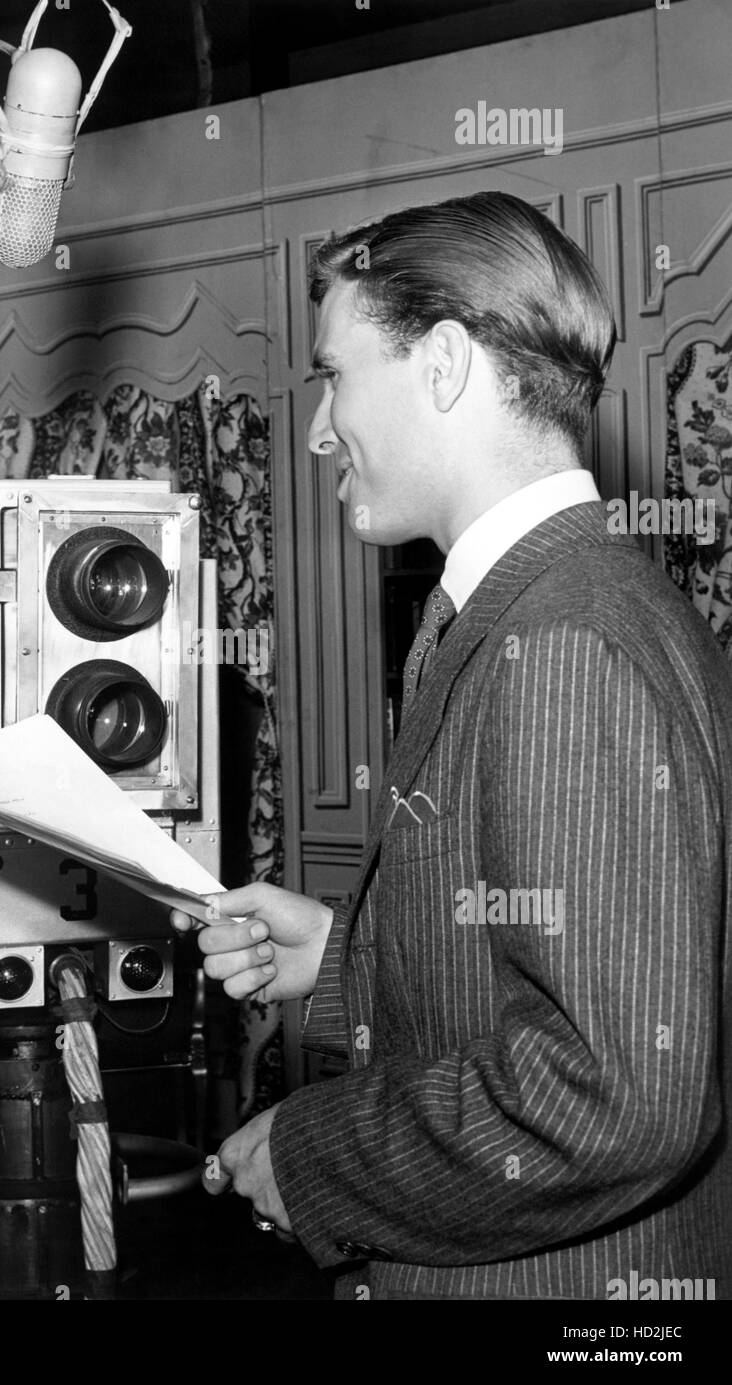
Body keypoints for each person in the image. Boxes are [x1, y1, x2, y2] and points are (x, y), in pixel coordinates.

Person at [173, 191, 732, 1299]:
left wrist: (314, 1155)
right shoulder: (574, 601)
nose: (322, 425)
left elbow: (616, 1092)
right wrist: (336, 956)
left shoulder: (564, 643)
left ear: (439, 364)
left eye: (333, 375)